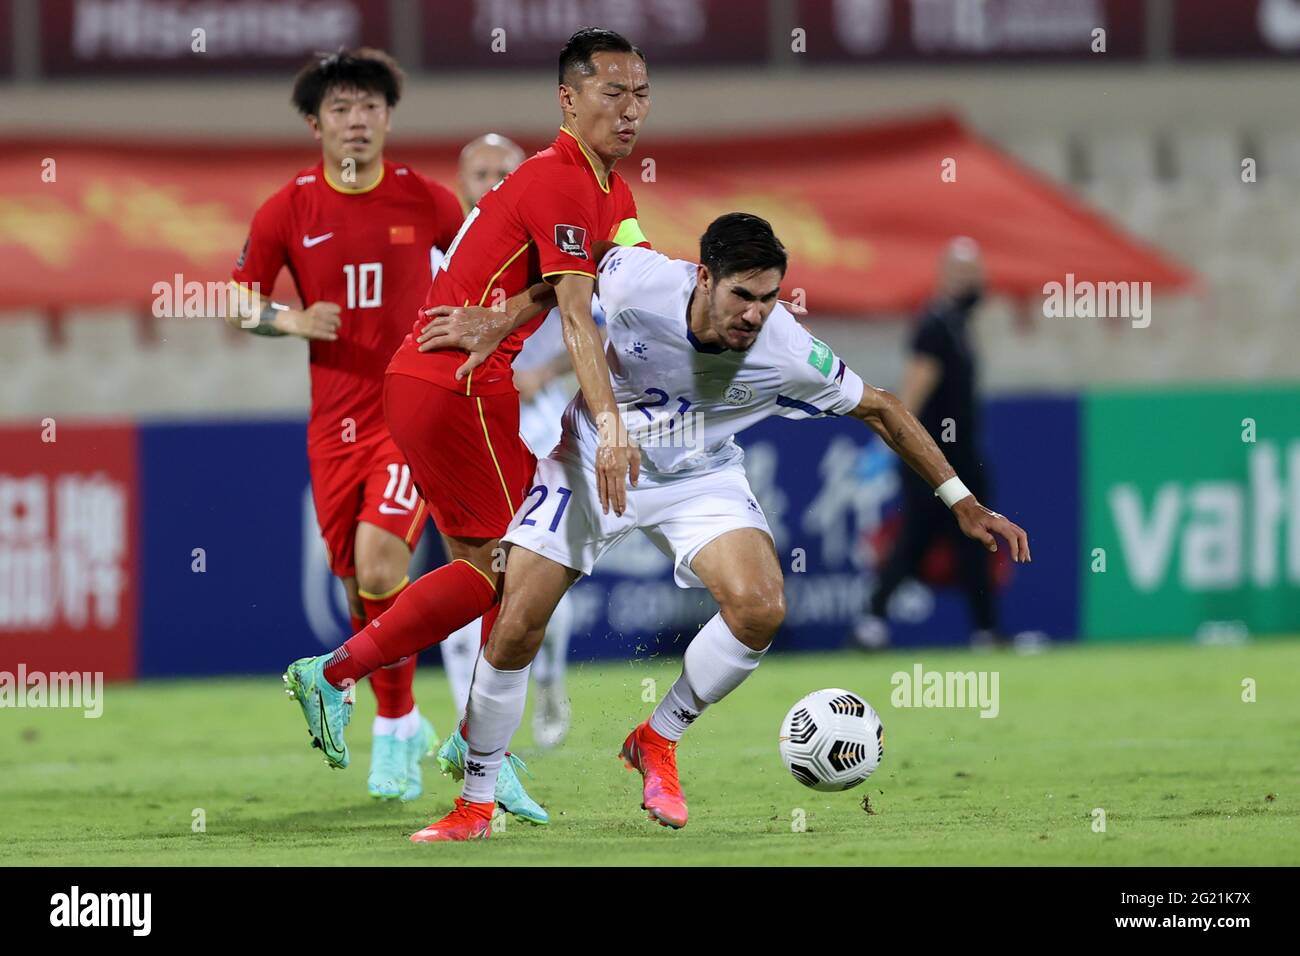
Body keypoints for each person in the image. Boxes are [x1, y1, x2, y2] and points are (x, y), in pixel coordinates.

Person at [406, 213, 1030, 841]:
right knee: (515, 623)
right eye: (742, 296)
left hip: (698, 477)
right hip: (594, 456)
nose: (756, 315)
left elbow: (884, 408)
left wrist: (962, 502)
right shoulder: (639, 280)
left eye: (769, 298)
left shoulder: (785, 348)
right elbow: (570, 272)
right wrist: (502, 316)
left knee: (760, 607)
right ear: (703, 278)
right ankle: (476, 803)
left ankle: (658, 738)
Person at [282, 28, 653, 825]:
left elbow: (619, 282)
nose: (629, 110)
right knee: (516, 569)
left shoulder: (610, 193)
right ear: (569, 99)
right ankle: (342, 675)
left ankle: (479, 754)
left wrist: (507, 316)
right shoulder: (557, 179)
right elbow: (582, 316)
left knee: (502, 577)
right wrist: (614, 425)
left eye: (640, 94)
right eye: (611, 93)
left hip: (447, 382)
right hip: (456, 386)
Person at [225, 48, 464, 802]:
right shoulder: (287, 208)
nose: (356, 121)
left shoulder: (427, 200)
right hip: (334, 427)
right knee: (362, 583)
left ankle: (393, 730)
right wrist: (292, 321)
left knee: (383, 566)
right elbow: (237, 302)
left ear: (388, 117)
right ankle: (405, 717)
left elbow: (480, 273)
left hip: (411, 411)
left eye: (368, 107)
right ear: (314, 124)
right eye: (340, 110)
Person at [440, 133, 584, 749]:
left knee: (537, 569)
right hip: (468, 422)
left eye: (506, 171)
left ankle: (548, 680)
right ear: (462, 184)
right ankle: (466, 723)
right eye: (482, 172)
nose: (493, 180)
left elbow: (594, 336)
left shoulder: (554, 249)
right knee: (471, 577)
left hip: (541, 420)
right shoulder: (441, 259)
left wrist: (540, 375)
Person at [854, 237, 1003, 650]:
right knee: (917, 541)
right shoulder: (935, 324)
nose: (973, 284)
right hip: (934, 459)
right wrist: (893, 443)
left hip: (962, 455)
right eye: (965, 275)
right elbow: (915, 390)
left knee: (969, 545)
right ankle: (873, 621)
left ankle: (984, 630)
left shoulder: (957, 326)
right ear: (946, 276)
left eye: (976, 274)